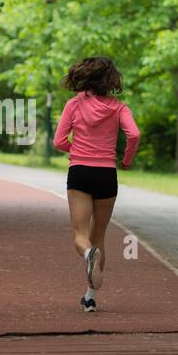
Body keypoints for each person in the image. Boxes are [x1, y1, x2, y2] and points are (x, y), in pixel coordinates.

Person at [53, 56, 140, 311]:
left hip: (80, 171)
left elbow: (59, 141)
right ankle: (90, 296)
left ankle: (88, 256)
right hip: (106, 174)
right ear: (110, 81)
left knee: (81, 236)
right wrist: (126, 159)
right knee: (98, 235)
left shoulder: (74, 105)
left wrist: (75, 149)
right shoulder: (119, 108)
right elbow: (134, 134)